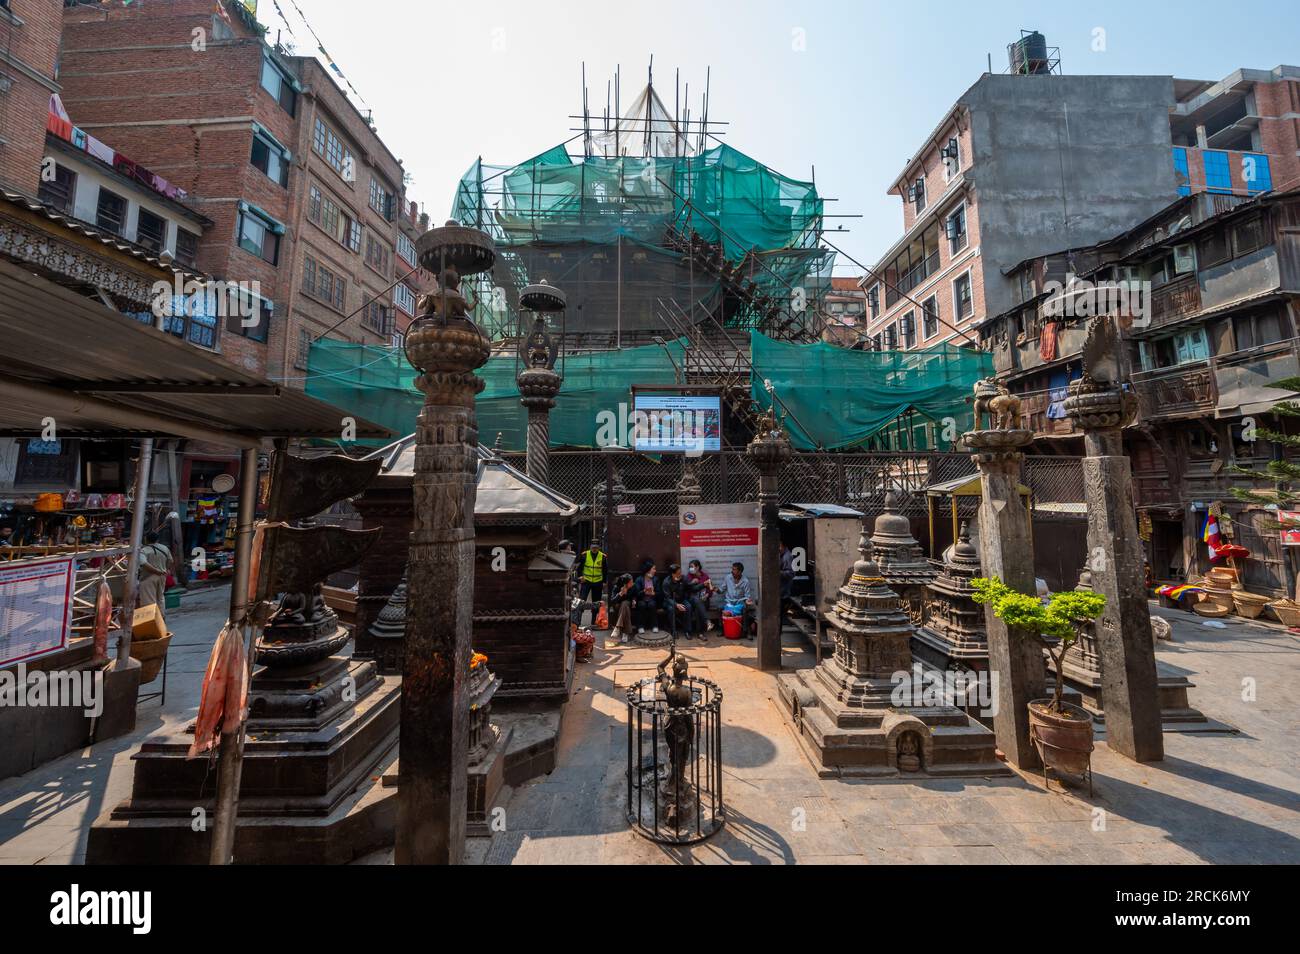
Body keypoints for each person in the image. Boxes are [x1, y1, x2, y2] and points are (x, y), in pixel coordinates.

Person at [137, 530, 172, 610]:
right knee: (160, 598)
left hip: (148, 577)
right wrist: (165, 569)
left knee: (148, 600)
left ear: (146, 539)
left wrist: (156, 571)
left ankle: (153, 621)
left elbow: (144, 564)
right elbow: (170, 560)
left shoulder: (144, 550)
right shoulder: (164, 548)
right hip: (162, 576)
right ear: (157, 539)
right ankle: (161, 617)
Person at [720, 561, 756, 639]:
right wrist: (715, 590)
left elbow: (747, 596)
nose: (732, 571)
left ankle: (746, 632)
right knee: (720, 609)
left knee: (745, 611)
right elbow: (721, 589)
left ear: (740, 571)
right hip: (729, 602)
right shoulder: (728, 577)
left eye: (734, 570)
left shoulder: (745, 581)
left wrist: (747, 601)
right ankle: (724, 631)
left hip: (740, 602)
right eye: (732, 569)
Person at [661, 563, 694, 641]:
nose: (680, 574)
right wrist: (676, 605)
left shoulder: (683, 578)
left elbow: (691, 587)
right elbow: (667, 598)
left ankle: (687, 631)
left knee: (688, 606)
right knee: (670, 609)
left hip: (681, 599)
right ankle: (673, 631)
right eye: (678, 573)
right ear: (673, 574)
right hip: (670, 601)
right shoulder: (666, 582)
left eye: (680, 572)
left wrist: (702, 585)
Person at [686, 559, 715, 635]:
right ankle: (707, 622)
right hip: (692, 600)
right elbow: (690, 589)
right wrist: (692, 582)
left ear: (697, 567)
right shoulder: (689, 576)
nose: (690, 569)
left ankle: (700, 633)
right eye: (689, 567)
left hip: (704, 601)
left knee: (698, 607)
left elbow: (710, 589)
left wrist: (707, 595)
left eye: (692, 567)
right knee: (696, 600)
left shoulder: (705, 576)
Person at [632, 560, 661, 635]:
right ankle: (640, 626)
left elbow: (659, 593)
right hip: (642, 599)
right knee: (642, 605)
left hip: (652, 599)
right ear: (648, 570)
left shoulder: (656, 579)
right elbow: (637, 593)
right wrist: (644, 591)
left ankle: (654, 625)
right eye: (653, 569)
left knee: (652, 604)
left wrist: (653, 593)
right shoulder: (639, 579)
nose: (655, 571)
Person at [608, 573, 637, 644]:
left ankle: (617, 627)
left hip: (628, 604)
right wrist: (620, 594)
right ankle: (625, 633)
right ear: (625, 584)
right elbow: (612, 601)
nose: (632, 583)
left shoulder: (633, 586)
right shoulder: (616, 587)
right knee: (624, 606)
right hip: (619, 606)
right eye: (630, 582)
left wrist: (634, 600)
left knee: (625, 604)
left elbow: (635, 595)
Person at [579, 540, 607, 609]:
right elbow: (579, 568)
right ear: (590, 547)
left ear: (599, 547)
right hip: (586, 581)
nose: (594, 549)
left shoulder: (603, 557)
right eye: (593, 547)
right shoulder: (584, 555)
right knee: (580, 601)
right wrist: (580, 577)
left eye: (596, 547)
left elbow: (605, 570)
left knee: (596, 603)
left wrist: (604, 582)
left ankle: (594, 619)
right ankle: (577, 618)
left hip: (598, 582)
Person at [779, 541, 796, 617]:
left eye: (779, 546)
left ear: (783, 546)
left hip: (784, 590)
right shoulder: (781, 555)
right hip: (780, 590)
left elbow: (791, 573)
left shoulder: (787, 556)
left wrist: (778, 572)